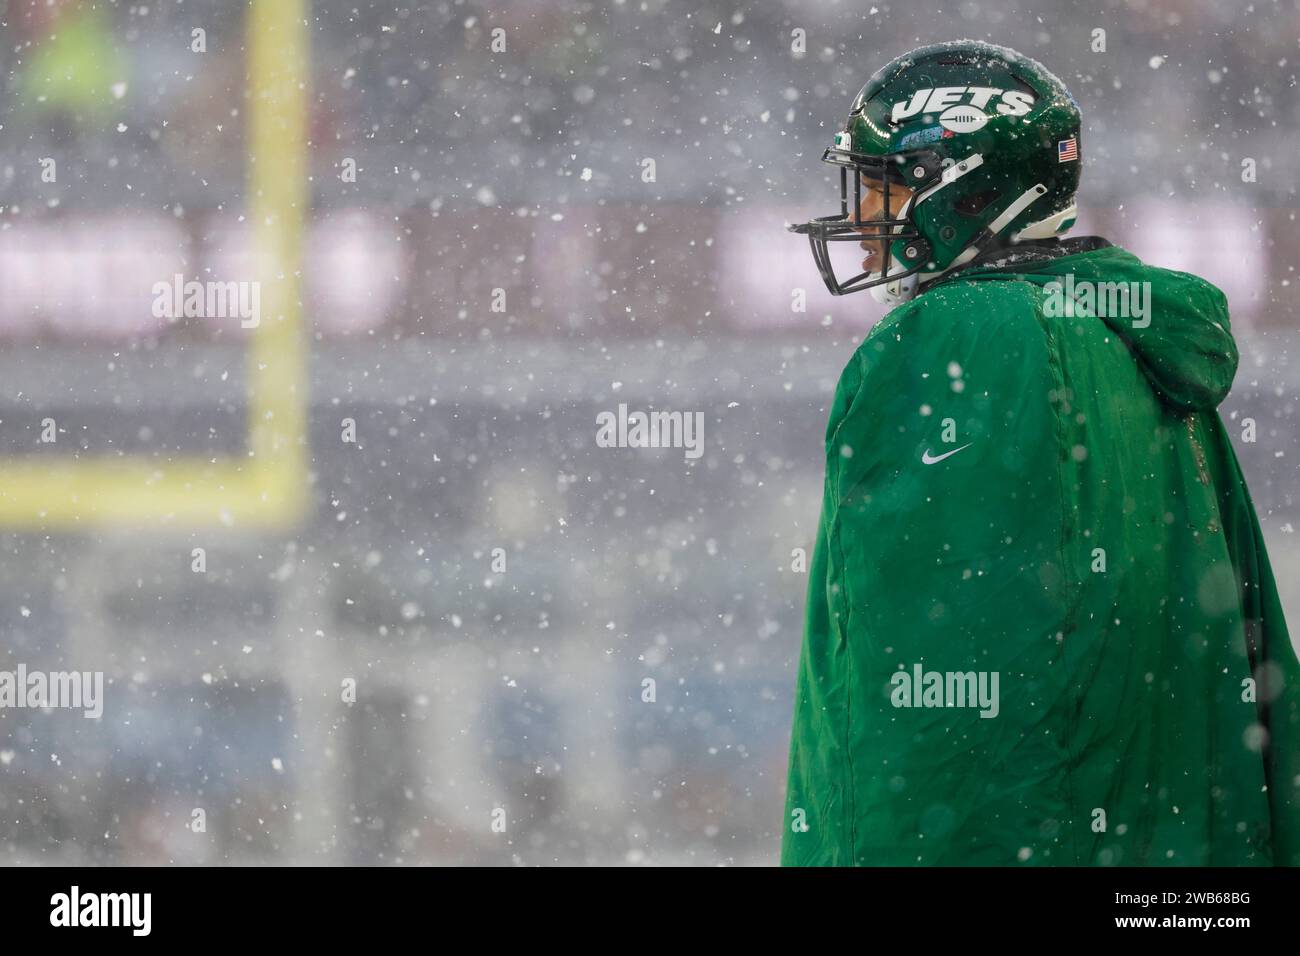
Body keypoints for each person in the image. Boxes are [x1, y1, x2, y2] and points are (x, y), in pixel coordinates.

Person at [782, 40, 1300, 866]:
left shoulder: (956, 334)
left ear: (963, 188)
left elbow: (944, 699)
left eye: (884, 186)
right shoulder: (1129, 333)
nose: (864, 221)